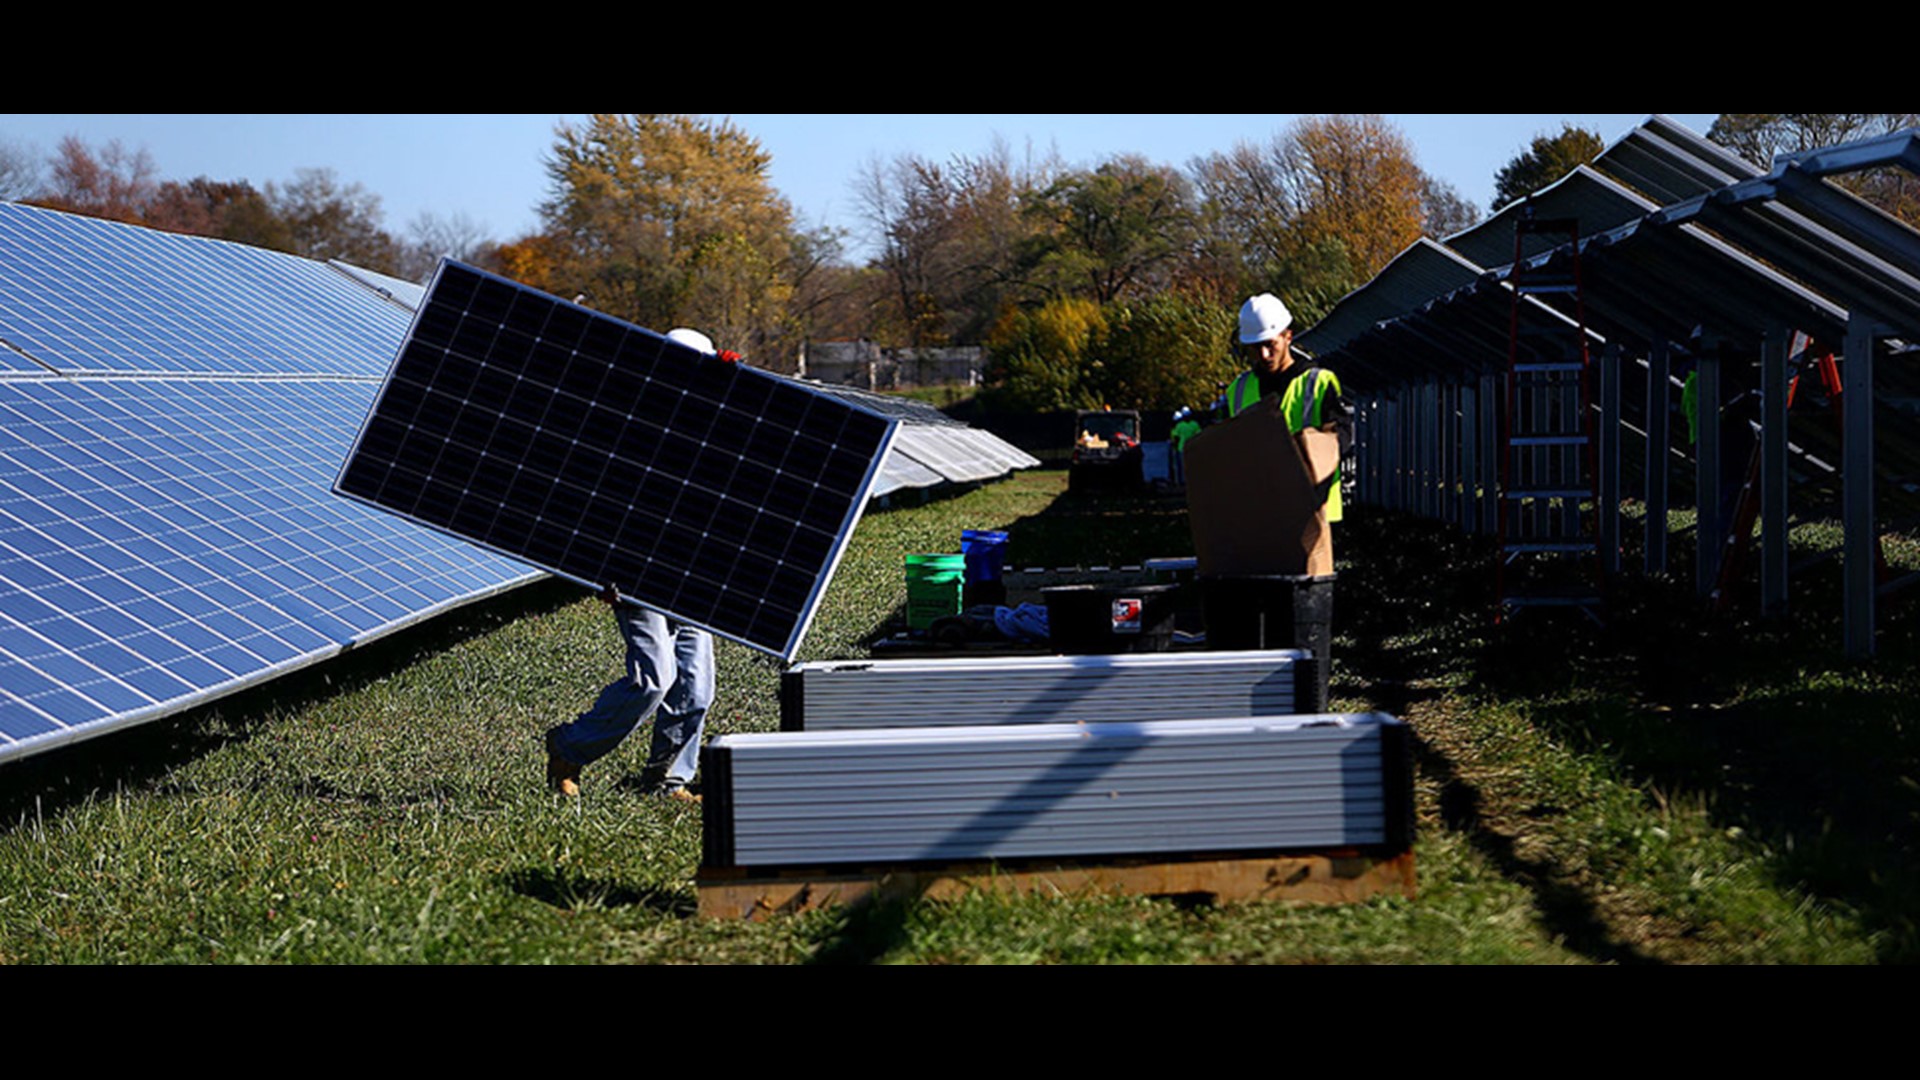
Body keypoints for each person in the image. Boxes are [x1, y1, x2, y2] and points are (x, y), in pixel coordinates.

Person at [543, 327, 721, 804]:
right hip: (636, 570)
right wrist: (598, 570)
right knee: (653, 680)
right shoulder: (623, 422)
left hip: (691, 571)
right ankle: (568, 748)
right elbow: (591, 503)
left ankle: (668, 779)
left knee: (695, 687)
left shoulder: (716, 429)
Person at [1223, 293, 1352, 523]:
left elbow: (1341, 438)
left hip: (1313, 512)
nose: (1263, 355)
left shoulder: (1319, 382)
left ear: (1287, 337)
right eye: (1255, 347)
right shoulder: (1238, 390)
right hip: (1261, 512)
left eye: (1270, 344)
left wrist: (1307, 454)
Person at [1169, 407, 1202, 487]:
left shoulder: (1180, 426)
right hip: (1193, 448)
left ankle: (1183, 482)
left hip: (1182, 449)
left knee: (1182, 467)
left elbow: (1176, 438)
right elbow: (1199, 435)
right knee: (1192, 466)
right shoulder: (1195, 424)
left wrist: (1175, 447)